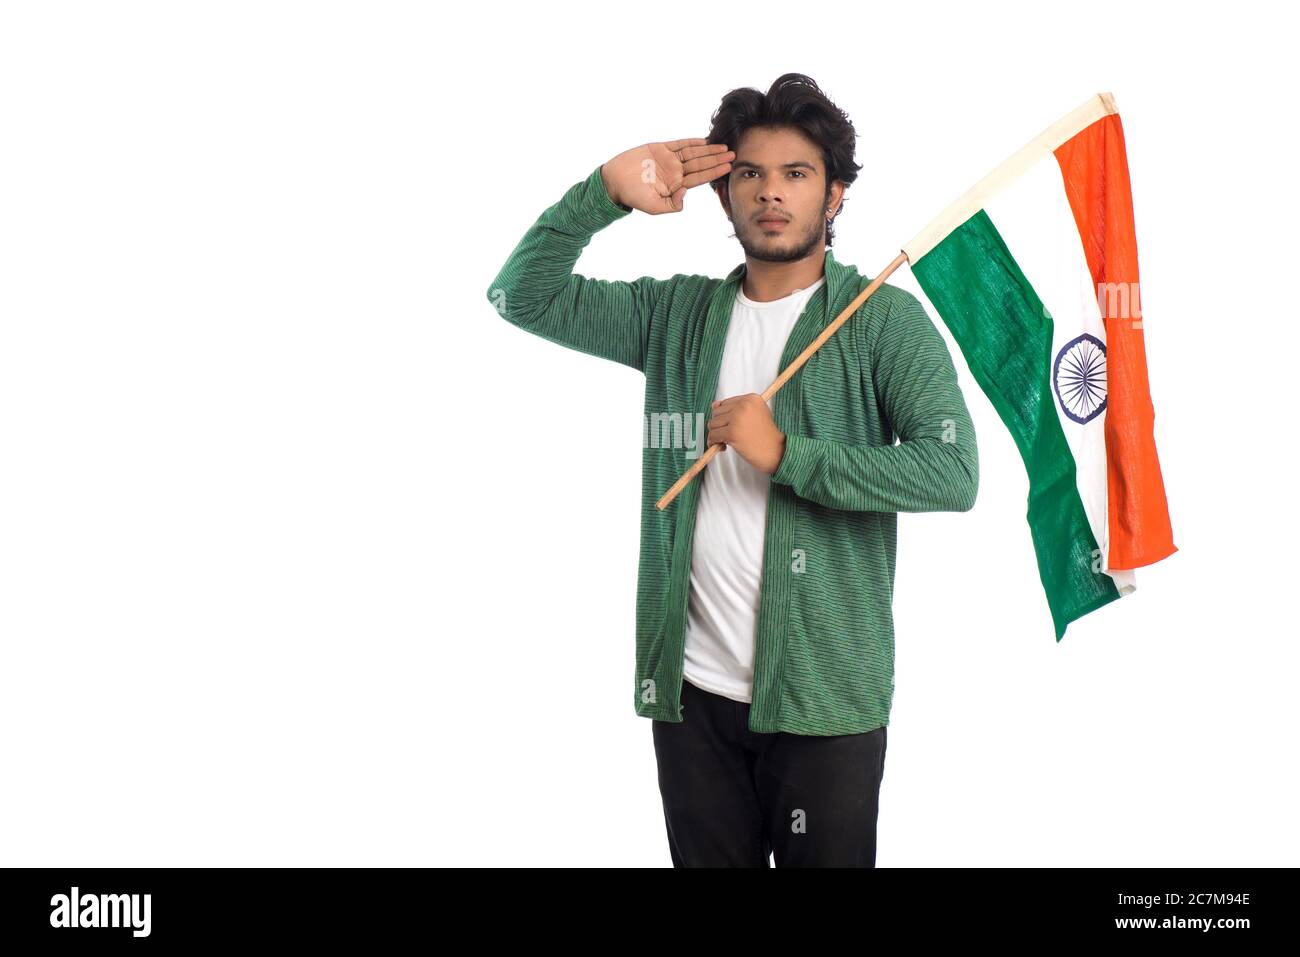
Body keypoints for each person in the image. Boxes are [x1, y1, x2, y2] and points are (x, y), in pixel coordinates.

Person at [486, 73, 978, 867]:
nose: (771, 193)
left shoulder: (881, 320)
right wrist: (603, 193)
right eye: (750, 173)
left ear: (836, 194)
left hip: (828, 705)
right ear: (724, 194)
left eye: (796, 173)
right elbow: (519, 296)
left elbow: (952, 471)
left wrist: (787, 455)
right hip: (692, 699)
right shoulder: (675, 316)